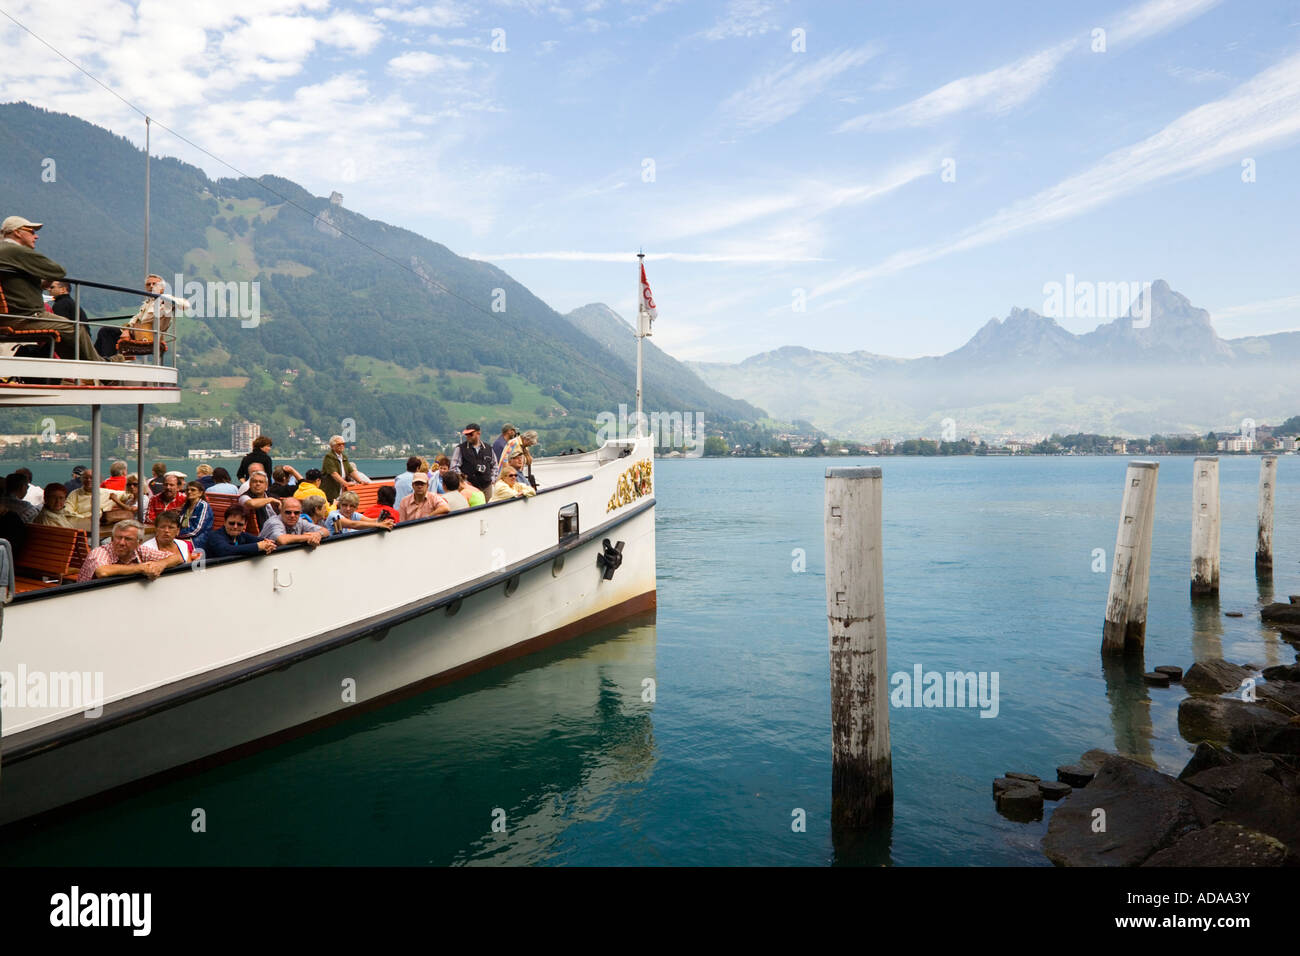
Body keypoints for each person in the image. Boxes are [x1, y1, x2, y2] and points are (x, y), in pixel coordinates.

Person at [0, 216, 103, 361]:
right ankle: (97, 367)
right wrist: (47, 279)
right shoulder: (15, 251)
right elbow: (58, 271)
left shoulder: (4, 251)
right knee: (76, 328)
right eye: (31, 231)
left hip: (8, 317)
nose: (36, 236)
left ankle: (79, 366)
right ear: (17, 232)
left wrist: (40, 283)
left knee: (65, 332)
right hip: (26, 316)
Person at [77, 519, 180, 583]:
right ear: (112, 539)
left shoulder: (141, 550)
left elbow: (177, 558)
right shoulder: (100, 551)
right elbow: (102, 571)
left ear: (139, 542)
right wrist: (141, 568)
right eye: (118, 538)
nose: (121, 542)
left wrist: (161, 564)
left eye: (128, 539)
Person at [117, 274, 188, 353]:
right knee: (110, 331)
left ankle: (111, 357)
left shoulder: (165, 299)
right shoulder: (147, 303)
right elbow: (135, 318)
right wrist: (126, 329)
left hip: (152, 335)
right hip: (138, 332)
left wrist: (167, 299)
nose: (151, 286)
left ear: (162, 288)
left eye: (154, 284)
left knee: (109, 332)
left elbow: (186, 305)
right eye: (148, 284)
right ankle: (113, 357)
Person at [203, 504, 277, 558]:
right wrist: (257, 546)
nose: (235, 527)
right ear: (224, 522)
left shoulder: (242, 535)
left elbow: (261, 541)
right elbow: (226, 550)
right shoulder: (214, 536)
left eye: (240, 524)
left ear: (244, 525)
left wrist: (268, 544)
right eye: (232, 523)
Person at [257, 497, 326, 549]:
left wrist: (318, 534)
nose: (292, 515)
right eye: (288, 512)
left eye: (296, 513)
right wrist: (310, 537)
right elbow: (282, 540)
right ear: (281, 511)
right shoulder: (274, 522)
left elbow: (325, 531)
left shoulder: (300, 521)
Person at [325, 490, 395, 536]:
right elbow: (353, 524)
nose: (348, 509)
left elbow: (372, 521)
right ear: (339, 505)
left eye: (351, 506)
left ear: (356, 507)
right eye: (344, 505)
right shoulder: (333, 515)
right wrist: (379, 524)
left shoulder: (354, 515)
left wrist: (385, 521)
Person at [451, 423, 496, 495]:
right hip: (468, 488)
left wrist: (492, 479)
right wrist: (464, 482)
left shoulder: (489, 448)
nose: (468, 436)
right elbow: (454, 468)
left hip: (487, 487)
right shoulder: (460, 449)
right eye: (466, 434)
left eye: (471, 434)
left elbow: (495, 466)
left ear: (478, 433)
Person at [321, 435, 362, 503]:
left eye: (343, 444)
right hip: (331, 490)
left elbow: (350, 471)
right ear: (332, 446)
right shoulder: (329, 457)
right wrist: (345, 483)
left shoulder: (344, 457)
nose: (342, 446)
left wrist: (360, 481)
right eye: (339, 444)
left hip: (340, 489)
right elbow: (334, 473)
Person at [175, 481, 213, 546]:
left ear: (200, 493)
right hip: (183, 537)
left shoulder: (203, 506)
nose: (189, 492)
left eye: (193, 490)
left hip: (196, 540)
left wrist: (177, 534)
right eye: (187, 490)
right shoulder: (186, 506)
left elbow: (197, 529)